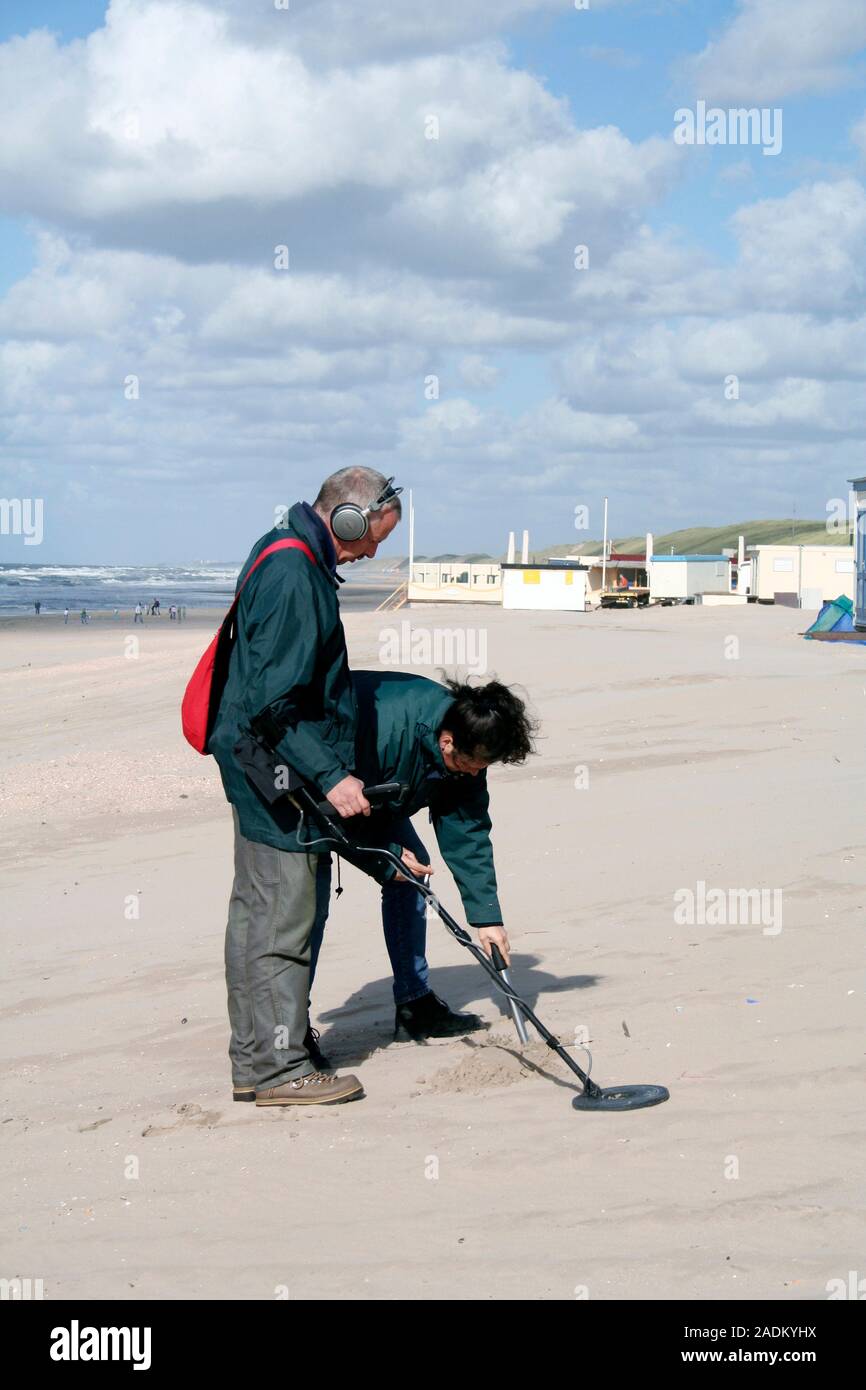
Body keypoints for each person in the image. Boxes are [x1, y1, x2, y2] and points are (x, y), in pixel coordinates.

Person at [208, 468, 402, 1108]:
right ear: (346, 519)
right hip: (278, 772)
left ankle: (257, 1058)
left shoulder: (284, 549)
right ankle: (279, 1071)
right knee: (283, 919)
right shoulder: (294, 573)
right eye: (374, 536)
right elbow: (274, 704)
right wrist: (332, 775)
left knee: (257, 915)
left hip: (264, 764)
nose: (374, 551)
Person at [301, 673, 534, 1068]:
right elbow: (327, 804)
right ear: (447, 742)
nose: (475, 774)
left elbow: (468, 832)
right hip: (308, 790)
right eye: (470, 765)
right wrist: (384, 856)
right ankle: (291, 1033)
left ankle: (415, 1005)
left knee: (414, 872)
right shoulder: (388, 731)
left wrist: (487, 917)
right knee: (307, 906)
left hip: (376, 794)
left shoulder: (470, 742)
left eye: (483, 767)